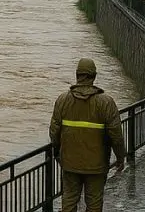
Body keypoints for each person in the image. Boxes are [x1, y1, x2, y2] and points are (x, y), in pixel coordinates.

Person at [49, 58, 127, 211]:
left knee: (69, 201)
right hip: (96, 165)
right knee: (94, 204)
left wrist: (58, 154)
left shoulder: (63, 100)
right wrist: (120, 158)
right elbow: (116, 135)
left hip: (70, 164)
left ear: (77, 75)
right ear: (94, 76)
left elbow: (54, 132)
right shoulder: (106, 102)